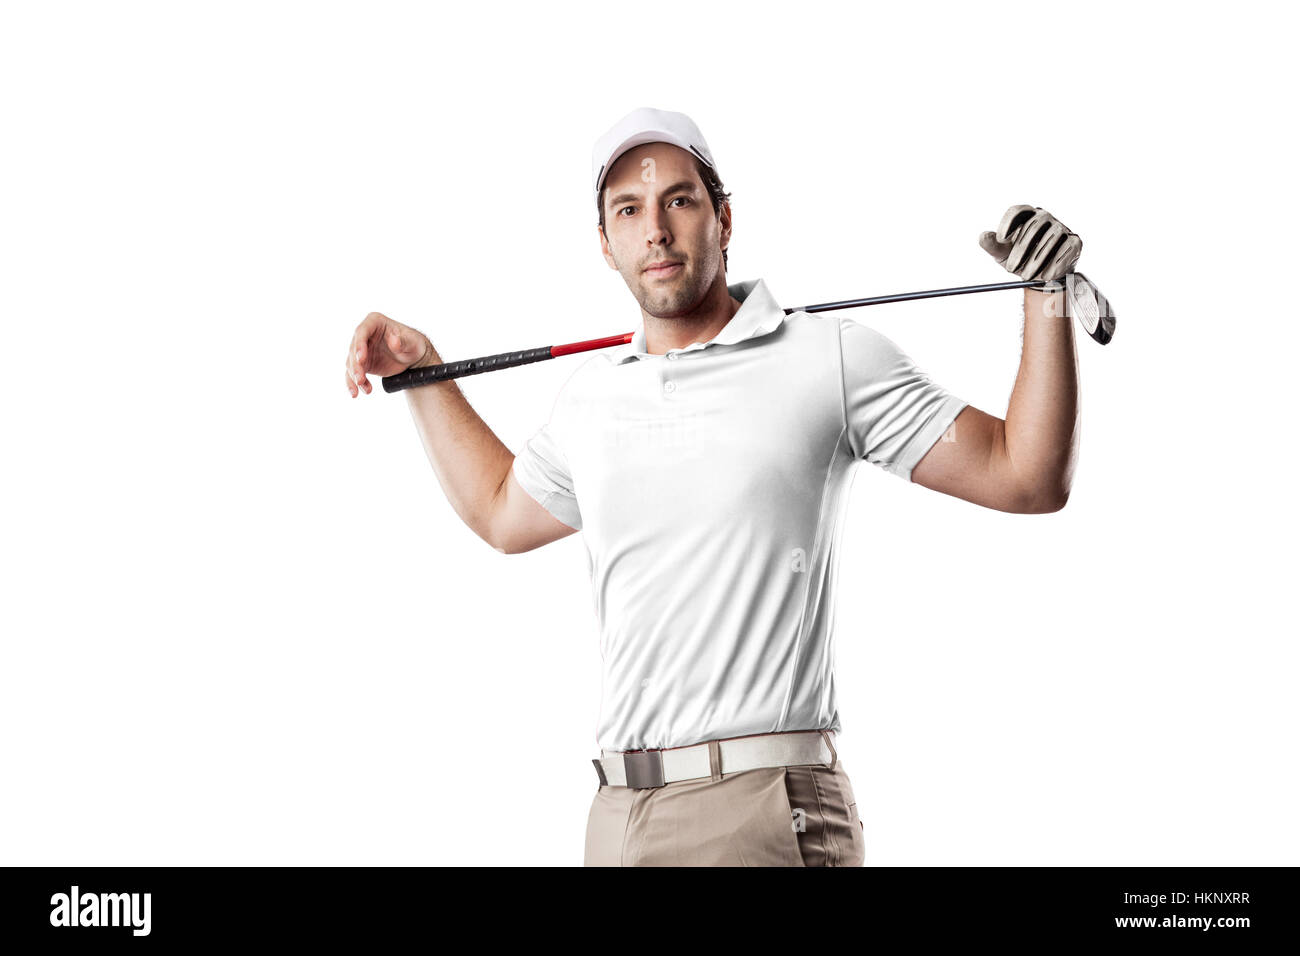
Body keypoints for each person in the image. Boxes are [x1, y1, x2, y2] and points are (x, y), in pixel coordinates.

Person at [343, 107, 1081, 866]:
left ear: (724, 219)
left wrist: (1046, 297)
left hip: (758, 810)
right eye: (628, 210)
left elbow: (1023, 475)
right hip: (617, 814)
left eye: (680, 200)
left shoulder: (827, 359)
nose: (655, 229)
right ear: (606, 243)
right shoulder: (594, 398)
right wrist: (419, 373)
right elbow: (501, 512)